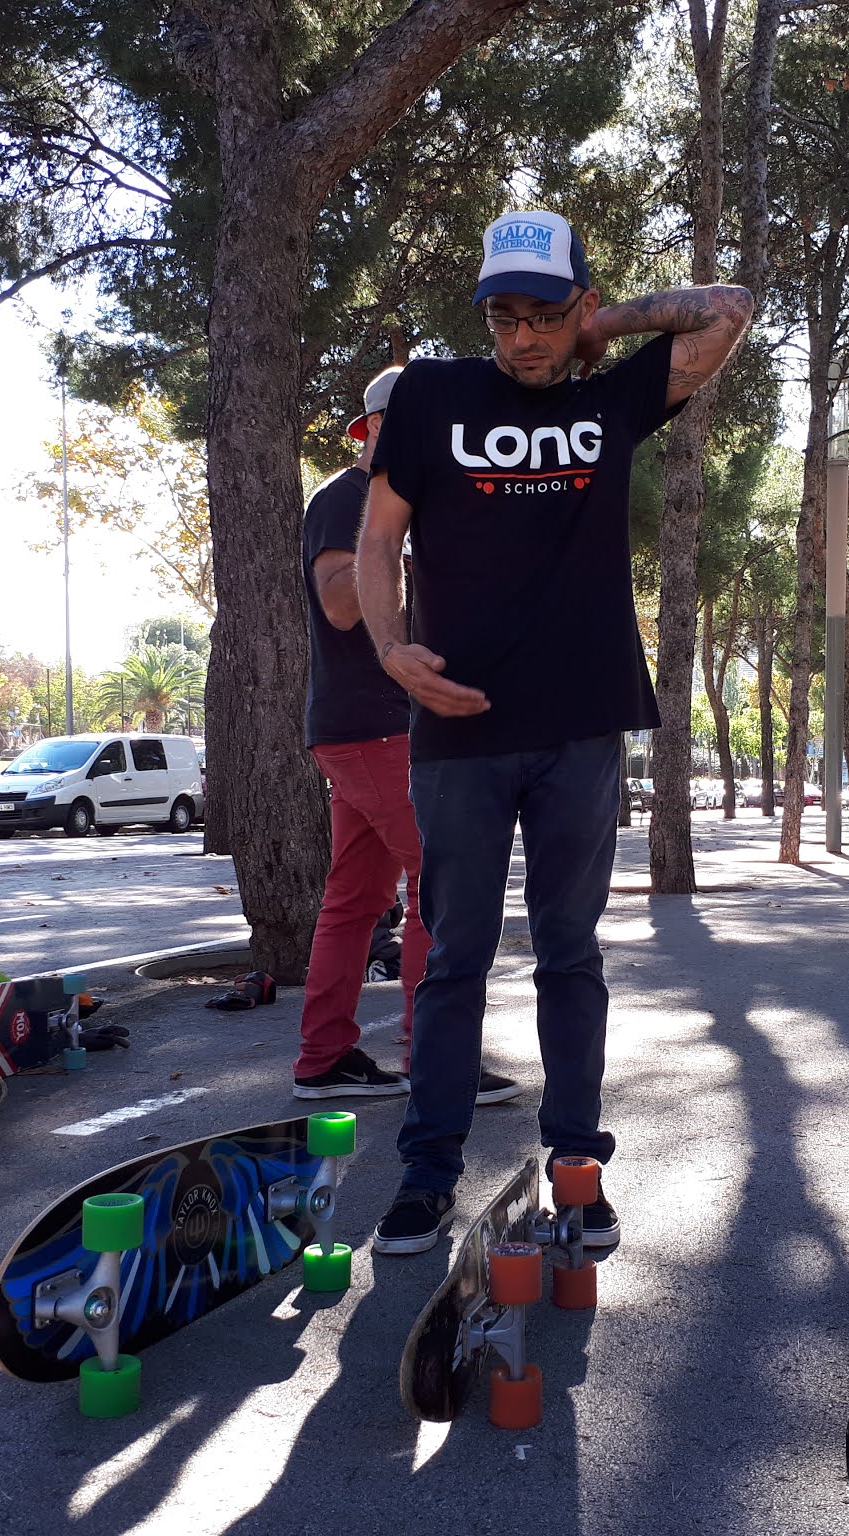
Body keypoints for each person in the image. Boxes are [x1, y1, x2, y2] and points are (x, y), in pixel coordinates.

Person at [355, 210, 753, 1253]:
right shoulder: (433, 394)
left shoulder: (608, 396)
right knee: (452, 960)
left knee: (571, 957)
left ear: (575, 306)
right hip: (458, 727)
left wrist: (604, 326)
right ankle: (425, 1173)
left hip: (581, 724)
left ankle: (576, 1167)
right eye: (504, 315)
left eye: (543, 313)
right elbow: (377, 535)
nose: (521, 337)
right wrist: (392, 649)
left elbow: (729, 313)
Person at [296, 365, 520, 1106]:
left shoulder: (404, 501)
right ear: (377, 428)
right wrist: (394, 551)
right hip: (372, 727)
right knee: (444, 883)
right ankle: (437, 1061)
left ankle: (325, 1060)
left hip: (372, 728)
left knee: (355, 899)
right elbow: (336, 603)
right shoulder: (348, 497)